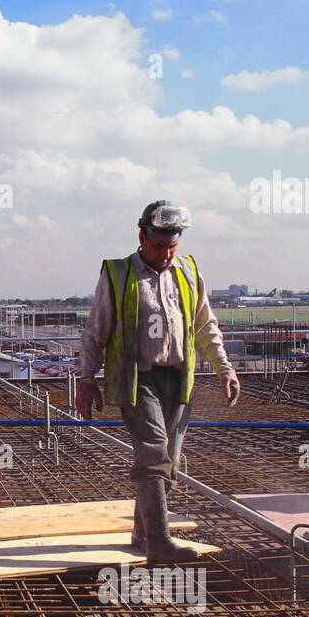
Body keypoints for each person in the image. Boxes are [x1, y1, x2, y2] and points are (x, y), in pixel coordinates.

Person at [75, 201, 239, 564]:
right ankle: (160, 541)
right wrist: (86, 379)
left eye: (172, 247)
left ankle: (142, 532)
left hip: (178, 379)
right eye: (158, 246)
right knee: (153, 453)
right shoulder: (118, 274)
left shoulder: (188, 271)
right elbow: (94, 332)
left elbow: (204, 326)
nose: (165, 254)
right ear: (141, 236)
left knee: (169, 461)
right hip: (138, 379)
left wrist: (224, 367)